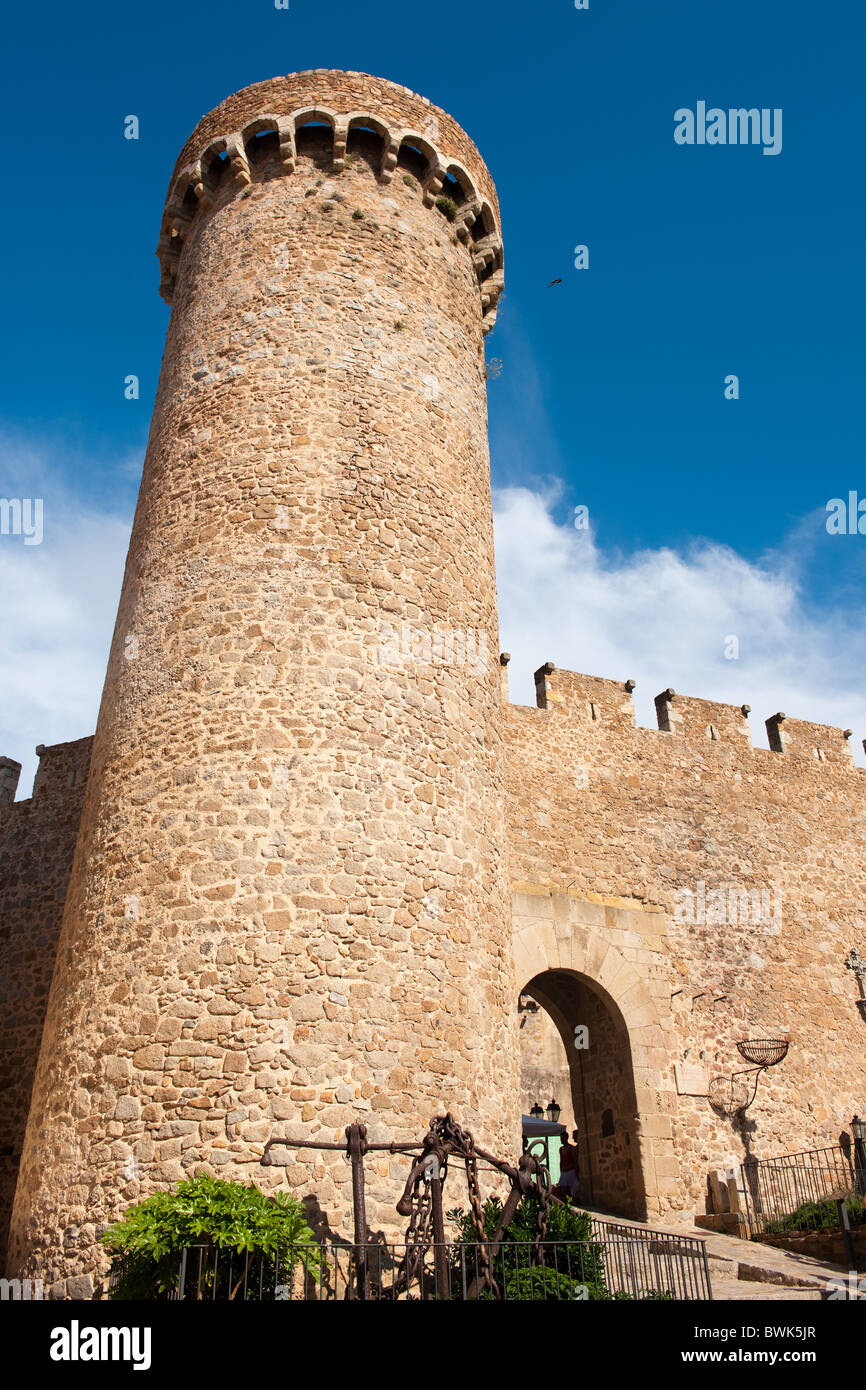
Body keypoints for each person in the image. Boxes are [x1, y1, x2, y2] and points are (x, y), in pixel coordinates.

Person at [554, 1130, 581, 1201]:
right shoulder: (561, 1149)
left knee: (572, 1189)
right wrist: (561, 1171)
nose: (561, 1140)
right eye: (560, 1138)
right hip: (564, 1171)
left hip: (571, 1170)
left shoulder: (571, 1148)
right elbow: (561, 1161)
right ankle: (564, 1202)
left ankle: (573, 1201)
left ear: (566, 1138)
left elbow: (574, 1159)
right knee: (563, 1188)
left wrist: (576, 1171)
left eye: (562, 1138)